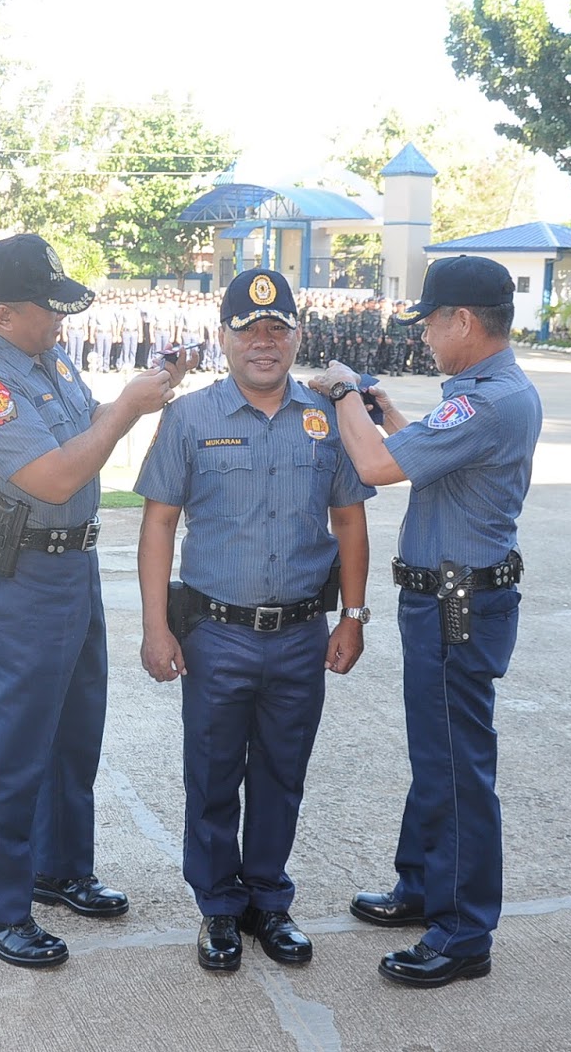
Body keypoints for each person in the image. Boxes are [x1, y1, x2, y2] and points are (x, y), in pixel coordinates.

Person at [0, 233, 192, 969]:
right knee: (17, 745)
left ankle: (58, 869)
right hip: (17, 573)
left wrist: (140, 392)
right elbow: (53, 476)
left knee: (74, 732)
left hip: (68, 564)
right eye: (47, 310)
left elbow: (82, 430)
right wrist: (126, 412)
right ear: (4, 312)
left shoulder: (42, 358)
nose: (61, 321)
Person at [307, 254, 542, 988]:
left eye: (432, 323)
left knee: (456, 767)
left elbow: (378, 468)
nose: (427, 339)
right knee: (436, 753)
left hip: (455, 607)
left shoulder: (487, 401)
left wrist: (344, 392)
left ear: (463, 322)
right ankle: (423, 886)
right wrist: (384, 410)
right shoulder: (485, 395)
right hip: (450, 600)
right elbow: (421, 452)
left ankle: (465, 931)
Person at [135, 268, 375, 972]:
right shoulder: (190, 419)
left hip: (302, 634)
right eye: (249, 331)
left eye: (277, 330)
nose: (263, 344)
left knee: (281, 774)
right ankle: (218, 909)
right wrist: (156, 626)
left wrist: (352, 617)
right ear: (224, 340)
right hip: (215, 635)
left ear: (298, 336)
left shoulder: (327, 417)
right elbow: (157, 527)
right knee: (210, 776)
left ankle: (269, 901)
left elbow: (351, 523)